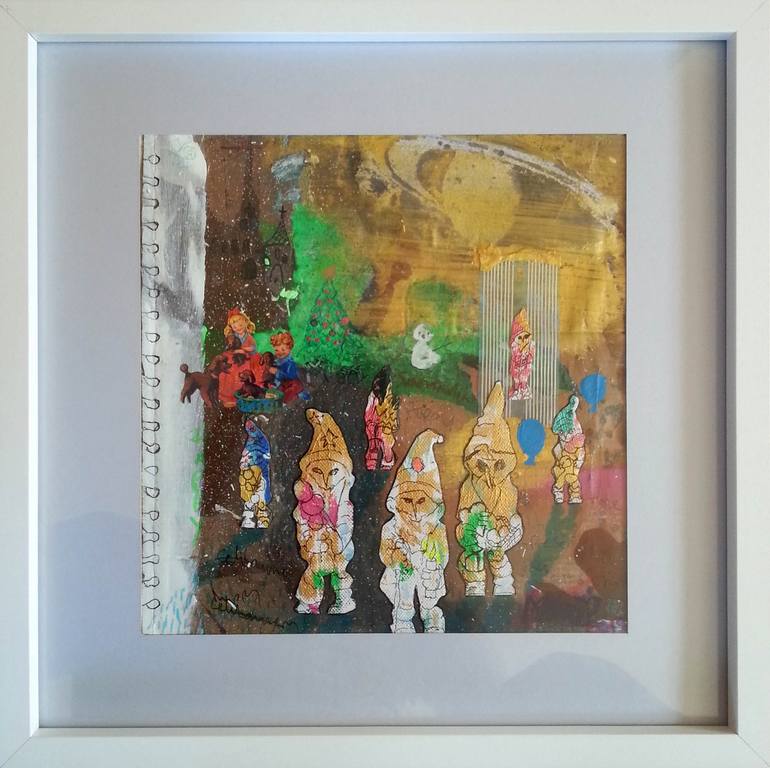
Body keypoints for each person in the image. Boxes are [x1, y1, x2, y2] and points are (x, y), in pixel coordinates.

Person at [218, 307, 256, 408]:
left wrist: (243, 349)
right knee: (227, 371)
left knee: (241, 373)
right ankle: (228, 397)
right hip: (234, 357)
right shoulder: (233, 337)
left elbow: (253, 348)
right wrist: (233, 349)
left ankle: (240, 397)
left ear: (245, 322)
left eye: (240, 325)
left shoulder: (248, 337)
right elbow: (229, 347)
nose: (238, 328)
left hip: (246, 359)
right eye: (235, 327)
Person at [269, 331, 309, 403]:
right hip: (283, 384)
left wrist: (277, 372)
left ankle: (286, 402)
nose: (280, 352)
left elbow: (290, 376)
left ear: (289, 349)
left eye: (283, 349)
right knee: (276, 391)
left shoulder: (290, 362)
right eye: (276, 350)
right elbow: (277, 378)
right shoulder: (277, 361)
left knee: (291, 389)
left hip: (292, 384)